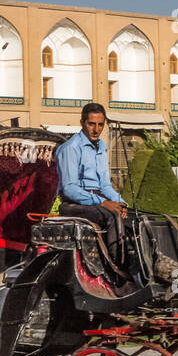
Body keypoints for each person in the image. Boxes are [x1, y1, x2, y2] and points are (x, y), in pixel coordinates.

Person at [55, 103, 131, 273]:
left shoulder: (101, 148)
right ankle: (116, 271)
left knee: (134, 217)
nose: (96, 129)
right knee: (111, 216)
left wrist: (121, 202)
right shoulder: (71, 148)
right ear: (82, 122)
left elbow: (105, 185)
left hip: (96, 201)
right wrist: (104, 203)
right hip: (73, 204)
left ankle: (136, 265)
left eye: (100, 125)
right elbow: (70, 188)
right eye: (91, 124)